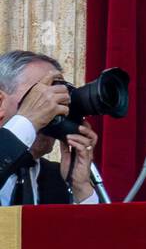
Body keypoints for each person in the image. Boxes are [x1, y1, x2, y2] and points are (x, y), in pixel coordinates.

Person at [0, 50, 100, 205]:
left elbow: (92, 229)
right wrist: (28, 121)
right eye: (41, 98)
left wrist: (81, 190)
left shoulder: (59, 179)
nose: (53, 109)